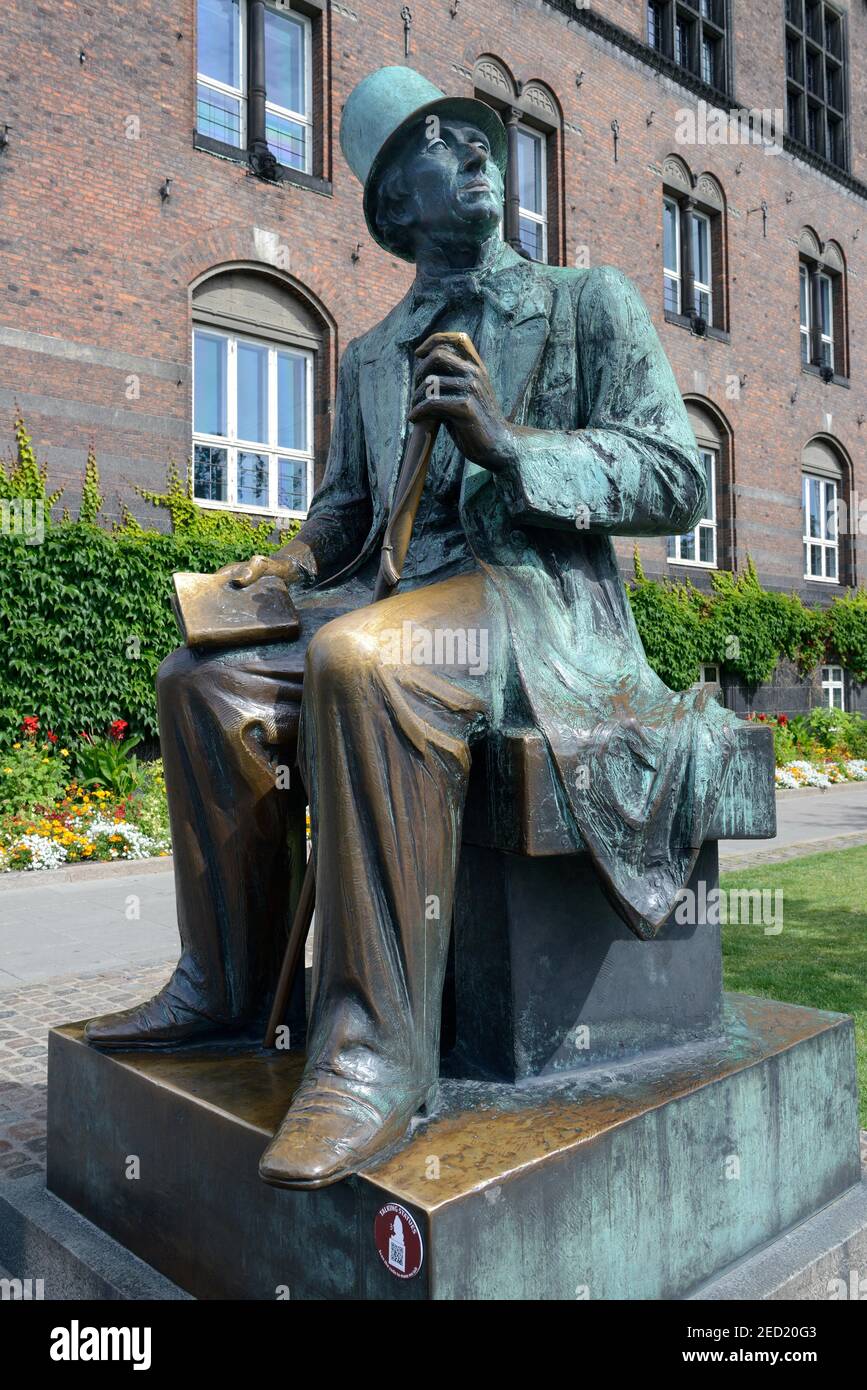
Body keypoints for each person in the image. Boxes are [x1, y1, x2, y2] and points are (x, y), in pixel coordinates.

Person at [85, 65, 737, 1188]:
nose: (478, 150)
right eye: (444, 141)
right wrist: (278, 567)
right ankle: (232, 991)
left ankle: (375, 1056)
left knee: (368, 661)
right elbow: (338, 517)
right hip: (393, 600)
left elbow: (678, 475)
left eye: (479, 137)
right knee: (203, 687)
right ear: (396, 206)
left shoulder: (589, 302)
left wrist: (513, 445)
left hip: (534, 611)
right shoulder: (373, 354)